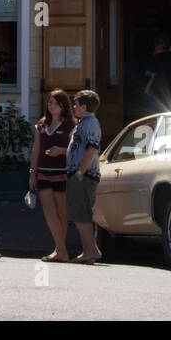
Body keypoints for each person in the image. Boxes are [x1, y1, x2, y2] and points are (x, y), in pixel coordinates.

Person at [28, 89, 73, 263]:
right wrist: (32, 173)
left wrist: (61, 151)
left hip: (62, 173)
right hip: (44, 172)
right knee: (48, 211)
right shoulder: (42, 124)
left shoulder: (71, 125)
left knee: (62, 212)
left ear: (63, 105)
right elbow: (36, 150)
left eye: (54, 102)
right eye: (49, 102)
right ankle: (61, 250)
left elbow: (76, 150)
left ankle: (59, 250)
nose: (50, 105)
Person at [66, 90, 103, 265]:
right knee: (79, 213)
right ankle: (87, 250)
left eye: (76, 104)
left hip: (84, 175)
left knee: (81, 213)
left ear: (84, 106)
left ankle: (91, 249)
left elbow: (92, 148)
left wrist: (80, 170)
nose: (74, 107)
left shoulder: (90, 123)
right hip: (78, 173)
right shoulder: (83, 123)